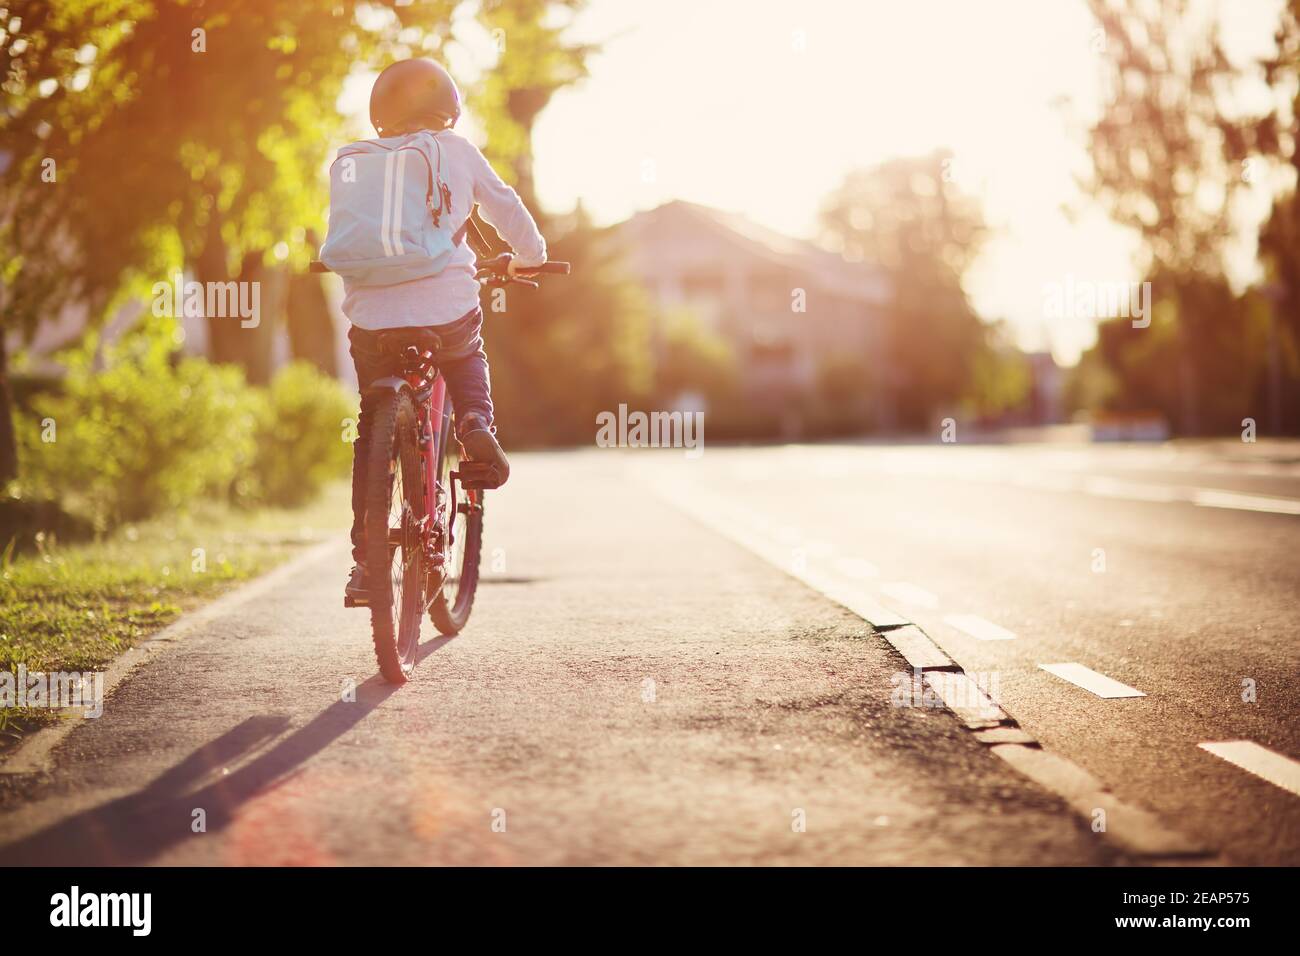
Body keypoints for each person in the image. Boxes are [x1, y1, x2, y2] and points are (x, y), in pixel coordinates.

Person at [342, 59, 546, 601]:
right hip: (445, 311)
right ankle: (475, 422)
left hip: (371, 320)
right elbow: (505, 205)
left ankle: (366, 563)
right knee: (465, 353)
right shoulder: (456, 151)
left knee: (369, 429)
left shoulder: (357, 161)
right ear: (448, 109)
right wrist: (530, 257)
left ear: (380, 111)